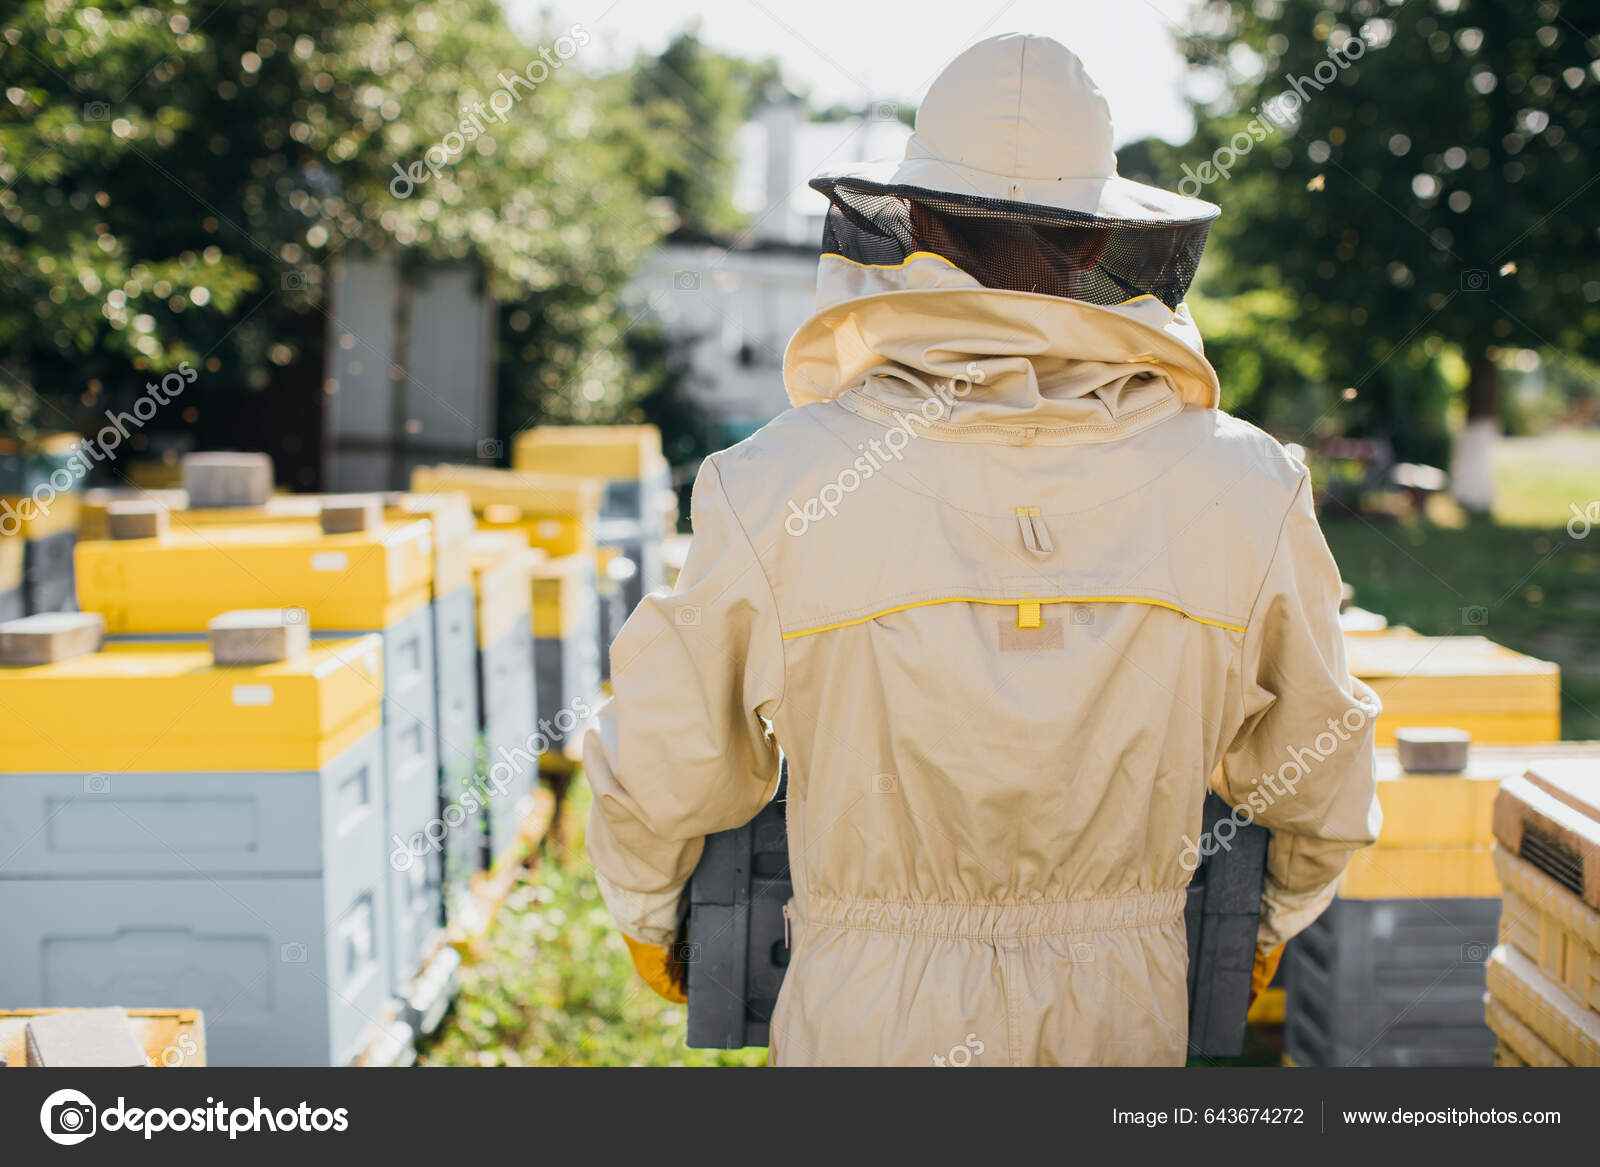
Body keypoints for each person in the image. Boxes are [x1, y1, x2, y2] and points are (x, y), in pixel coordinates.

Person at [585, 32, 1381, 1066]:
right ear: (1097, 245)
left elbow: (664, 766)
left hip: (863, 1026)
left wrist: (650, 919)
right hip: (1123, 1021)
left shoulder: (777, 484)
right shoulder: (1246, 487)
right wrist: (1259, 930)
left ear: (910, 220)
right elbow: (1319, 780)